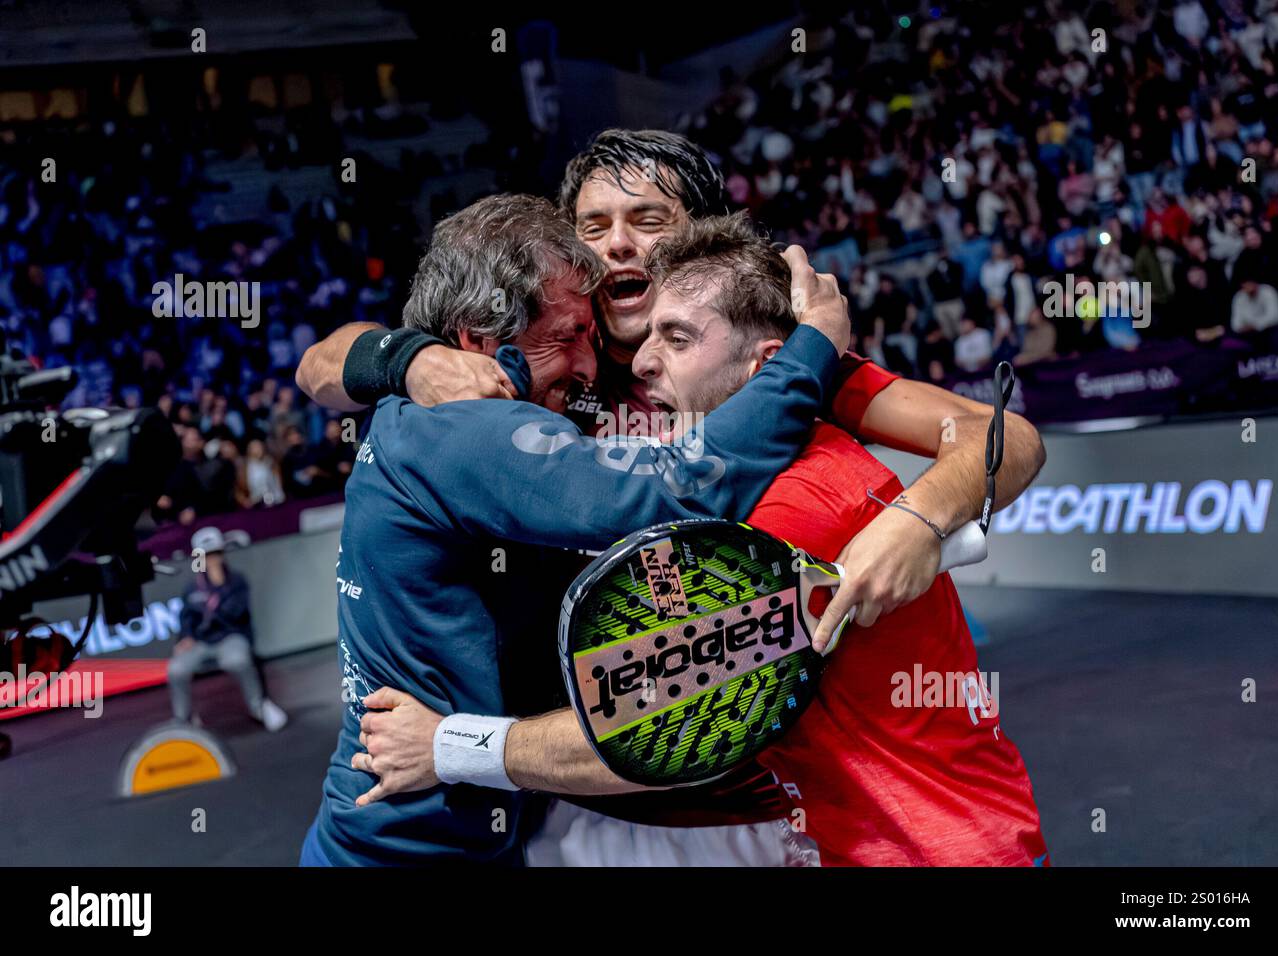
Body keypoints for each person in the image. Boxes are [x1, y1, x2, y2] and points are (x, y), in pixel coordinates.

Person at [352, 215, 1050, 867]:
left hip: (914, 844)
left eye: (678, 339)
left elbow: (636, 734)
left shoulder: (786, 498)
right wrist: (402, 356)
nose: (644, 362)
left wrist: (446, 745)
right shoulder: (597, 387)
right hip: (861, 832)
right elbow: (327, 367)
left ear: (771, 367)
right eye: (594, 224)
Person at [298, 194, 851, 867]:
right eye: (566, 338)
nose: (590, 368)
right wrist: (810, 351)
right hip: (407, 850)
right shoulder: (460, 427)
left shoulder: (424, 406)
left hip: (460, 835)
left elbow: (328, 361)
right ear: (477, 342)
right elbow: (669, 487)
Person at [168, 526, 287, 731]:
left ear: (222, 553)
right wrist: (186, 636)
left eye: (215, 554)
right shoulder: (192, 587)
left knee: (238, 661)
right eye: (207, 555)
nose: (212, 559)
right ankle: (183, 719)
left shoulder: (236, 582)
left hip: (230, 637)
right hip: (200, 641)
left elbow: (236, 613)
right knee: (176, 669)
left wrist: (218, 590)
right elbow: (186, 616)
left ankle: (258, 705)